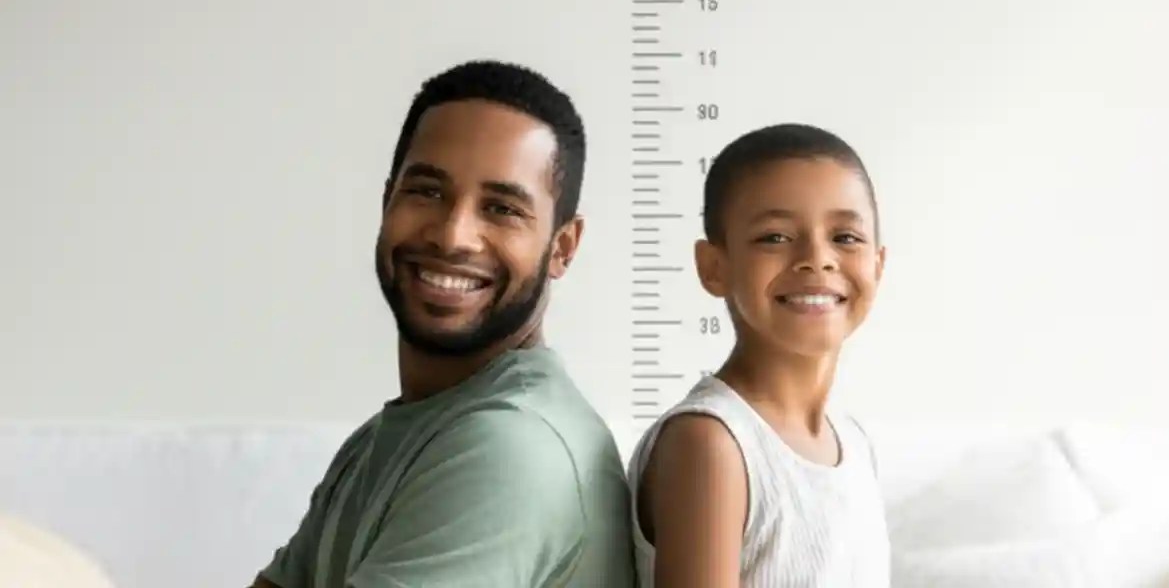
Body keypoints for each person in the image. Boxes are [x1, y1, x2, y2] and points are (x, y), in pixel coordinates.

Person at [253, 60, 635, 588]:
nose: (453, 236)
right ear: (388, 200)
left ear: (562, 247)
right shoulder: (386, 439)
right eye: (427, 192)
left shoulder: (513, 446)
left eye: (501, 208)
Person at [627, 123, 892, 587]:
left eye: (846, 238)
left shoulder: (855, 444)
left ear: (878, 263)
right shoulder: (712, 444)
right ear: (713, 268)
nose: (817, 258)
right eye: (775, 237)